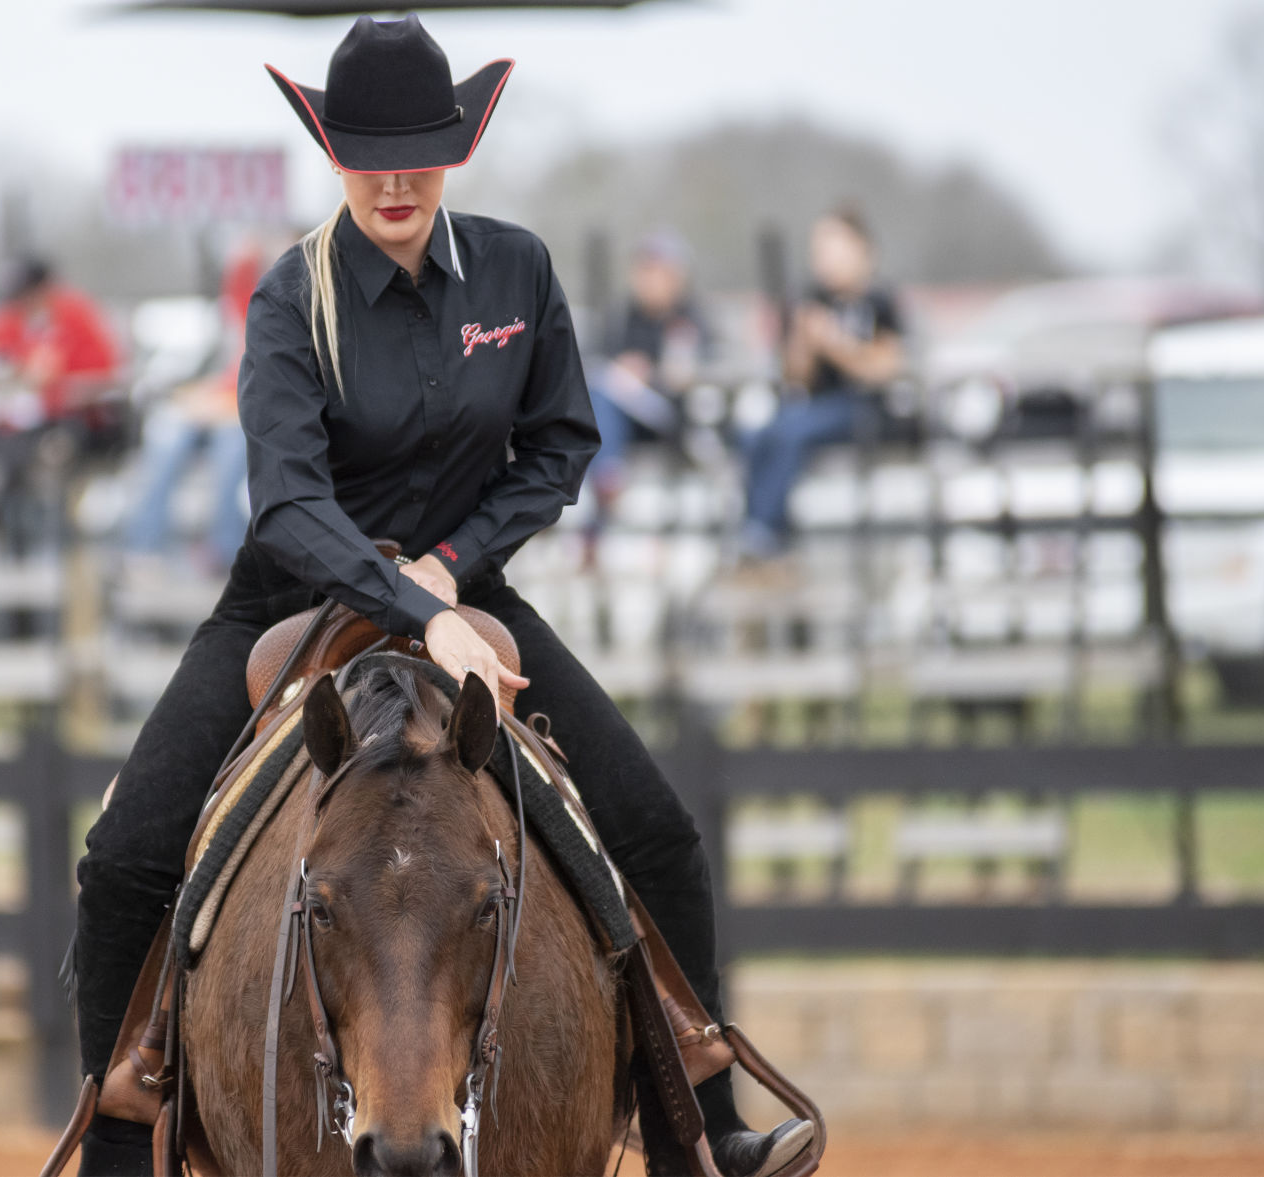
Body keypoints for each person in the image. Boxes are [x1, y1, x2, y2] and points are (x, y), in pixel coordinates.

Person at [72, 16, 811, 1177]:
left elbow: (560, 444)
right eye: (370, 152)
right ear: (333, 152)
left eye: (420, 147)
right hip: (291, 601)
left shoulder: (518, 271)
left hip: (476, 591)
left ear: (457, 147)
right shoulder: (290, 296)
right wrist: (424, 612)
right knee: (123, 855)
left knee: (655, 828)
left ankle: (699, 1120)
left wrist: (453, 568)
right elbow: (288, 504)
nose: (397, 176)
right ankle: (124, 1118)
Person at [737, 206, 905, 561]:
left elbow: (884, 368)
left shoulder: (879, 301)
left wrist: (833, 341)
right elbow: (795, 377)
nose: (823, 259)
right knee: (755, 434)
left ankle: (762, 534)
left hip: (863, 407)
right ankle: (759, 529)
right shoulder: (811, 300)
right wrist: (800, 338)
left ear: (860, 249)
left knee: (791, 429)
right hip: (815, 405)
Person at [121, 239, 266, 574]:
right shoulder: (240, 309)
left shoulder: (291, 304)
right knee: (167, 437)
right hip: (224, 406)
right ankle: (145, 548)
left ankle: (225, 551)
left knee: (230, 453)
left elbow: (262, 377)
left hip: (251, 412)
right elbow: (235, 368)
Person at [583, 232, 714, 564]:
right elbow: (596, 363)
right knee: (602, 395)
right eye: (644, 270)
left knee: (605, 398)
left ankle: (604, 484)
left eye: (658, 271)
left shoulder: (690, 319)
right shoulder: (623, 316)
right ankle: (604, 486)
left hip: (674, 419)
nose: (649, 280)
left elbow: (695, 372)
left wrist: (651, 374)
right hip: (622, 418)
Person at [0, 257, 124, 430]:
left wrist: (14, 371)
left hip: (82, 413)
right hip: (43, 408)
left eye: (25, 295)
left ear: (42, 289)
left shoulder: (71, 311)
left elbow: (44, 372)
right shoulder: (14, 315)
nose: (19, 304)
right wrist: (0, 365)